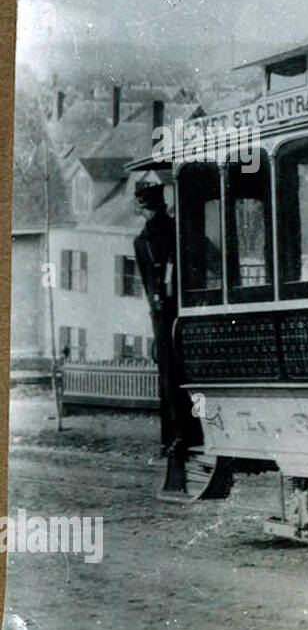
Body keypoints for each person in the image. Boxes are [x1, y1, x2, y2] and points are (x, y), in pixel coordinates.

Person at [133, 171, 195, 456]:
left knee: (167, 375)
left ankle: (172, 436)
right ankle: (183, 432)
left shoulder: (142, 240)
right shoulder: (177, 229)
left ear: (143, 208)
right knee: (183, 373)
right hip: (183, 308)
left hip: (161, 314)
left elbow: (148, 285)